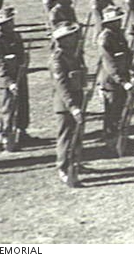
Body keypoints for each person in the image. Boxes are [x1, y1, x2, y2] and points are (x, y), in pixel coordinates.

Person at [49, 21, 86, 186]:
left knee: (76, 136)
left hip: (77, 99)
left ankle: (75, 162)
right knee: (65, 137)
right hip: (65, 105)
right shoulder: (57, 60)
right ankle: (63, 168)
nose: (74, 39)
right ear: (62, 40)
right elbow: (62, 87)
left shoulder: (74, 54)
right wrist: (73, 107)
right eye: (70, 37)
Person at [0, 8, 30, 151]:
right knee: (9, 109)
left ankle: (22, 131)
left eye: (11, 21)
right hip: (9, 79)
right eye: (8, 22)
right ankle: (7, 136)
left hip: (20, 74)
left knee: (23, 104)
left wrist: (24, 62)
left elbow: (20, 54)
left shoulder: (16, 36)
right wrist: (9, 83)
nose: (11, 24)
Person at [96, 6, 133, 154]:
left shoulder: (118, 34)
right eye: (116, 21)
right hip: (112, 82)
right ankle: (110, 140)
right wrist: (123, 81)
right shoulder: (105, 38)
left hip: (123, 79)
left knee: (121, 110)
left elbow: (127, 55)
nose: (119, 22)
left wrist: (131, 71)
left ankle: (120, 137)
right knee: (112, 113)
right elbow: (109, 63)